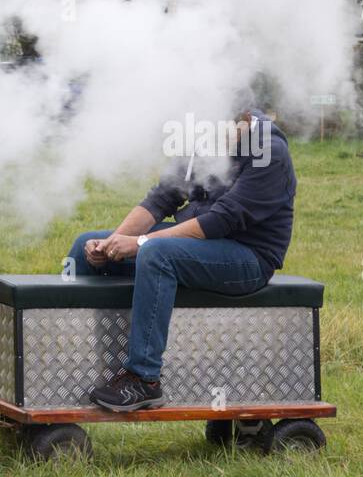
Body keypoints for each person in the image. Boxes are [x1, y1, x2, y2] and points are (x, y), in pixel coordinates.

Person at [65, 110, 296, 411]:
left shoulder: (271, 153)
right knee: (86, 244)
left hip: (248, 258)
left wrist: (139, 243)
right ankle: (78, 368)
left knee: (156, 253)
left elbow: (220, 222)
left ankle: (143, 379)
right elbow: (161, 198)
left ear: (244, 119)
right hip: (200, 245)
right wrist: (111, 245)